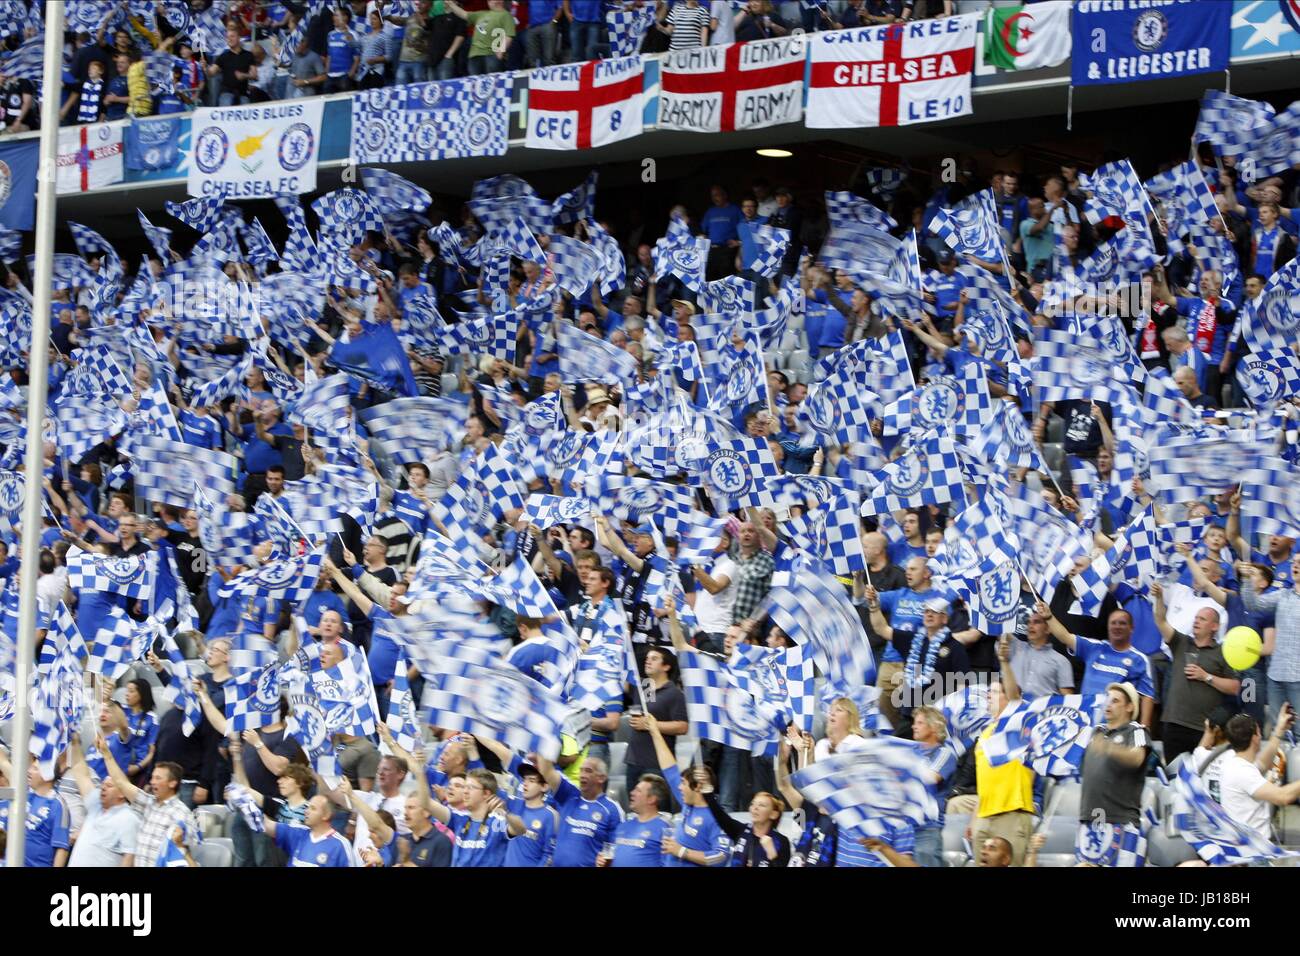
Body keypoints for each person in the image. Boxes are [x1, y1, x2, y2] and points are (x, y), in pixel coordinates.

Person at [1150, 583, 1240, 763]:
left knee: (1200, 778)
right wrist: (1159, 598)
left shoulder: (1223, 652)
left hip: (1204, 729)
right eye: (1196, 618)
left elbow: (1236, 687)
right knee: (1174, 777)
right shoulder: (1181, 642)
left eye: (1202, 619)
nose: (1196, 621)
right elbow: (1160, 620)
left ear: (1214, 627)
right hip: (1174, 723)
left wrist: (1206, 677)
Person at [1039, 601, 1156, 726]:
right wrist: (1049, 617)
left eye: (1122, 623)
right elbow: (1065, 637)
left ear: (1131, 628)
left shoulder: (1139, 659)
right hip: (1084, 723)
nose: (1117, 626)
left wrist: (1144, 729)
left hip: (1115, 727)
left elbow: (1147, 697)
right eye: (1113, 623)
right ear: (1108, 626)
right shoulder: (1094, 648)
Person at [1076, 683, 1151, 867]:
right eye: (1107, 700)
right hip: (1090, 820)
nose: (1108, 705)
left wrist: (1109, 748)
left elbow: (1137, 757)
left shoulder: (1137, 730)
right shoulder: (1096, 732)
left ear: (1130, 706)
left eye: (1115, 701)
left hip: (1120, 821)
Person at [94, 736, 198, 868]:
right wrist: (106, 753)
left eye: (158, 778)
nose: (152, 782)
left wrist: (179, 846)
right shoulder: (148, 803)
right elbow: (120, 782)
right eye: (153, 777)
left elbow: (187, 859)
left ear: (172, 783)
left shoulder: (182, 814)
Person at [645, 714, 730, 866]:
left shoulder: (718, 817)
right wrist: (654, 730)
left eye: (683, 783)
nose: (679, 787)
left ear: (697, 787)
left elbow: (721, 856)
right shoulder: (688, 805)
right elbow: (669, 769)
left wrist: (682, 851)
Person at [1218, 710, 1300, 843]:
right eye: (1259, 732)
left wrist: (1279, 730)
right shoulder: (1243, 772)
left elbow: (1262, 763)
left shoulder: (1232, 760)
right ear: (1255, 738)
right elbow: (1282, 797)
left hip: (1242, 844)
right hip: (1252, 851)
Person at [622, 646, 689, 800]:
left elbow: (682, 726)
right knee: (635, 809)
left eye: (654, 658)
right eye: (647, 658)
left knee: (656, 810)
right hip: (634, 760)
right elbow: (623, 682)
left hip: (656, 764)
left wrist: (650, 725)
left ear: (666, 666)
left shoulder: (675, 693)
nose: (648, 661)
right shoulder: (646, 687)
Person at [65, 736, 139, 867]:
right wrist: (75, 739)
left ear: (122, 793)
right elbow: (80, 770)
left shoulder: (128, 818)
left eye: (109, 786)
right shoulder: (96, 806)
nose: (103, 787)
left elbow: (129, 858)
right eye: (103, 784)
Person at [0, 746, 70, 867]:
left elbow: (61, 848)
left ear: (48, 775)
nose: (29, 771)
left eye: (35, 769)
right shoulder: (23, 794)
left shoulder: (58, 805)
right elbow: (4, 762)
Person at [260, 794, 357, 868]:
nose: (306, 811)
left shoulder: (340, 845)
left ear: (326, 815)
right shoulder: (298, 833)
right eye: (307, 807)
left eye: (313, 808)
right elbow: (267, 825)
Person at [603, 770, 672, 867]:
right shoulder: (623, 826)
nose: (632, 793)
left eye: (638, 791)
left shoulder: (665, 829)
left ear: (651, 799)